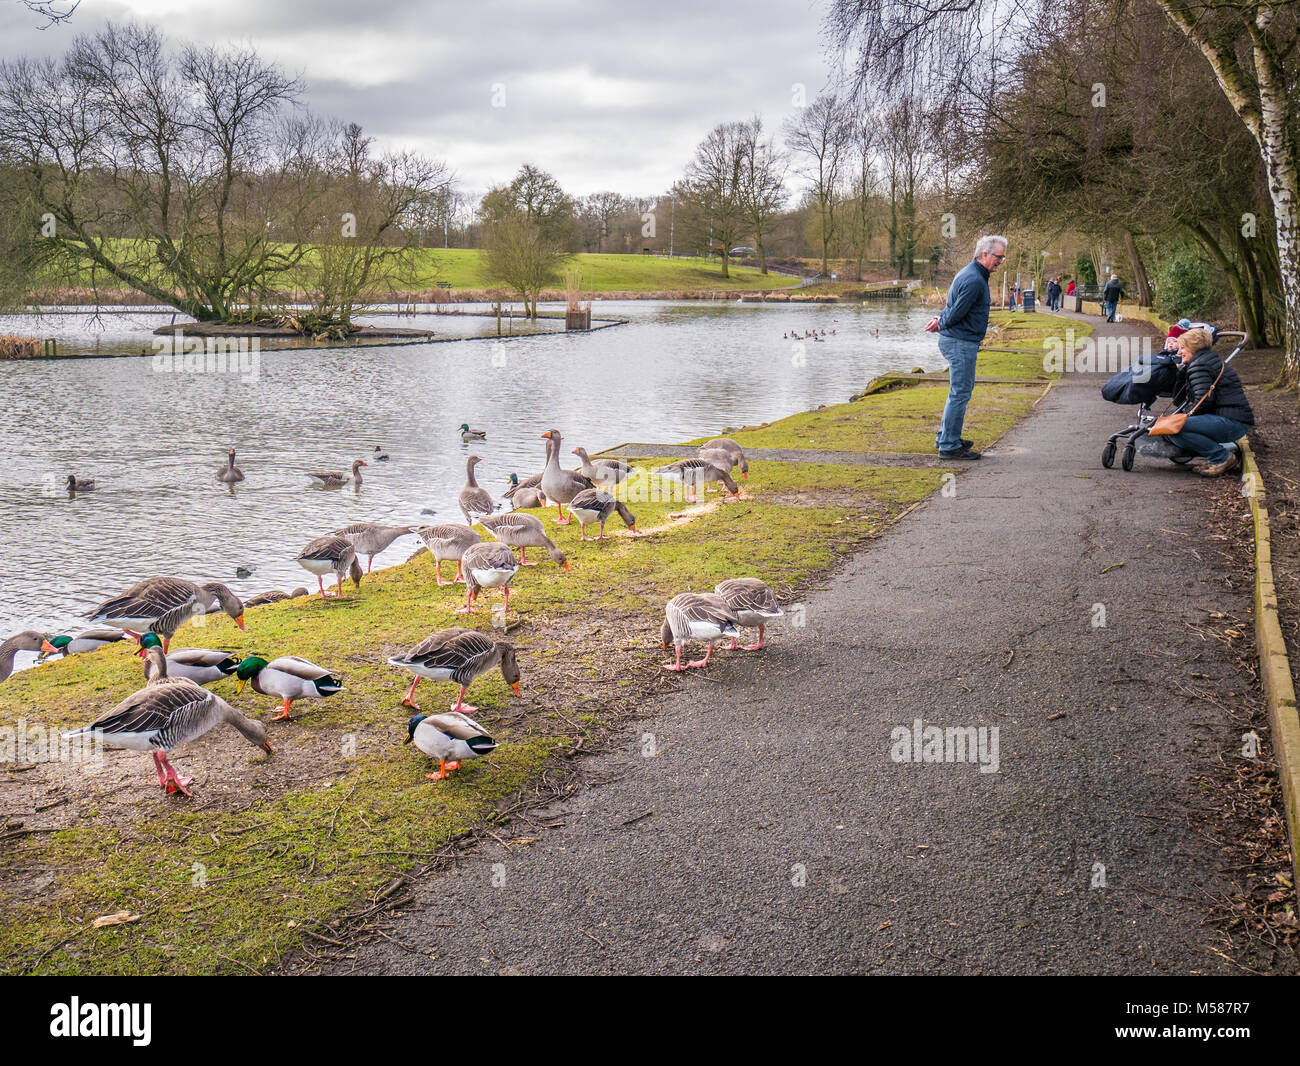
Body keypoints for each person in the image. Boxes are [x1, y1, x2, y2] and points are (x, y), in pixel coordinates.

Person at [923, 234, 1006, 460]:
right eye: (999, 256)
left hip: (959, 340)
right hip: (960, 342)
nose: (1001, 261)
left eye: (1003, 257)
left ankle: (946, 437)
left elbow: (953, 307)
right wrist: (941, 321)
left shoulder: (971, 274)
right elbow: (958, 310)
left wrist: (940, 319)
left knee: (958, 392)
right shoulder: (974, 279)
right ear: (985, 254)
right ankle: (949, 446)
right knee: (960, 393)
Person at [1163, 327, 1254, 477]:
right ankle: (1217, 457)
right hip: (1235, 420)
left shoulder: (1199, 365)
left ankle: (1222, 458)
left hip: (1231, 422)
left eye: (1183, 348)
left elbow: (1203, 400)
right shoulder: (1207, 361)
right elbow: (1188, 399)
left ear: (1193, 347)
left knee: (1173, 428)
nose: (1179, 352)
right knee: (1175, 426)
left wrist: (1183, 418)